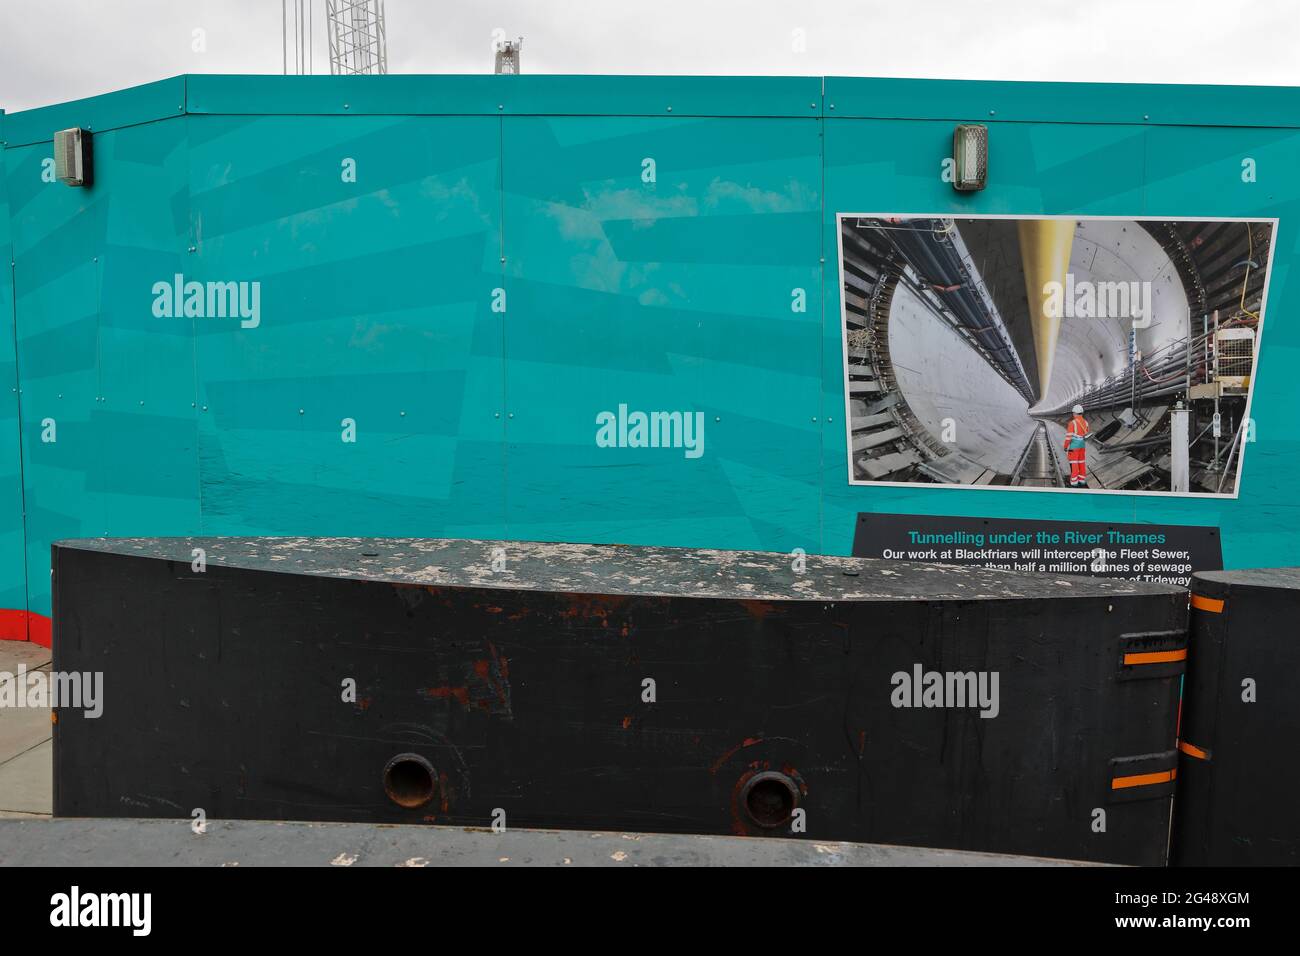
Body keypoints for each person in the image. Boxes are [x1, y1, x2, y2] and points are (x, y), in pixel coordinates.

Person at [1064, 404, 1090, 487]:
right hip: (1082, 445)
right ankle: (1082, 480)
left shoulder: (1072, 423)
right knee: (1081, 462)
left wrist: (1065, 447)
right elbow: (1086, 432)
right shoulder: (1086, 422)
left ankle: (1074, 482)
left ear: (1075, 413)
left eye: (1073, 413)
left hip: (1074, 447)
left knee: (1074, 463)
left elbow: (1068, 437)